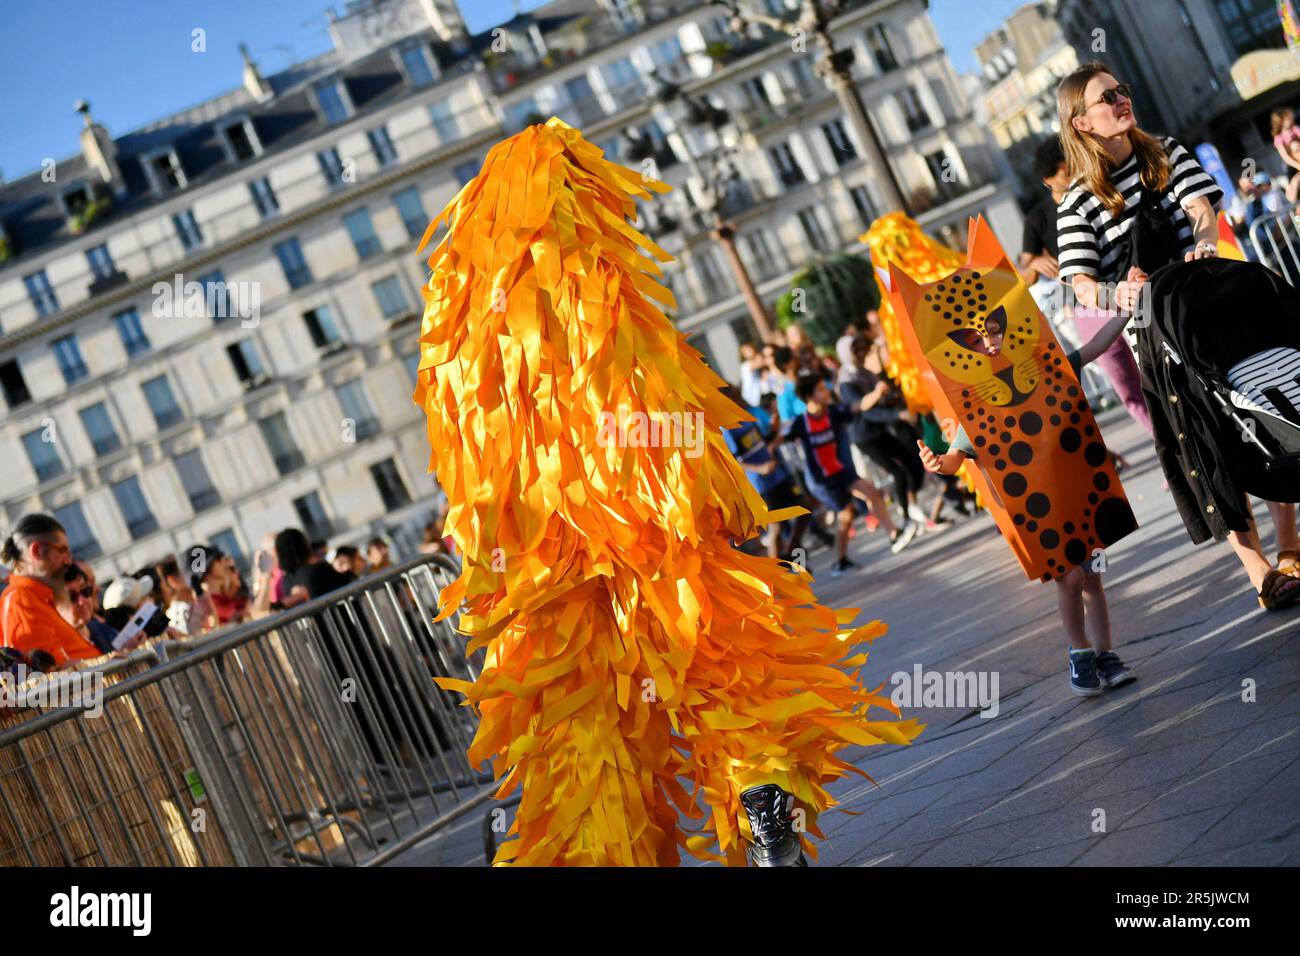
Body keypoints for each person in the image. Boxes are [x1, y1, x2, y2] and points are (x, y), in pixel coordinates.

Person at [1056, 61, 1300, 611]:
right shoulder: (1076, 202)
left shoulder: (1163, 151)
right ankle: (1258, 568)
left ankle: (1289, 545)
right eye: (1107, 97)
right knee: (1207, 439)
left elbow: (1199, 208)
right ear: (1082, 124)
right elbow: (1080, 283)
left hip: (1212, 301)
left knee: (1258, 409)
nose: (1122, 99)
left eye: (1122, 89)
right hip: (1159, 329)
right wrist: (1118, 291)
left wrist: (1205, 240)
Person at [918, 299, 1140, 696]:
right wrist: (937, 463)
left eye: (993, 330)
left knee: (1092, 575)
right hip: (1032, 508)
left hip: (1073, 491)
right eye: (976, 338)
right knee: (1069, 578)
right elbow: (957, 458)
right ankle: (1081, 652)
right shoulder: (976, 402)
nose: (988, 342)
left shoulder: (1044, 367)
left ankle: (1106, 654)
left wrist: (1123, 311)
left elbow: (1093, 349)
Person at [773, 373, 917, 575]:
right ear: (810, 396)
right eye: (821, 389)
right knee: (846, 515)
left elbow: (859, 406)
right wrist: (771, 445)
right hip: (821, 481)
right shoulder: (801, 423)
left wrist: (876, 393)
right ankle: (836, 562)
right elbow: (777, 440)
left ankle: (894, 534)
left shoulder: (832, 412)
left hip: (839, 470)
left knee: (871, 492)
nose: (827, 392)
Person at [836, 335, 928, 528]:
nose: (861, 355)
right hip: (865, 436)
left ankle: (911, 506)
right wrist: (897, 414)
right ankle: (905, 518)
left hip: (879, 430)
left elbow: (880, 400)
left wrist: (890, 398)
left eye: (863, 350)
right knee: (898, 472)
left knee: (913, 463)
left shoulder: (864, 374)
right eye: (857, 351)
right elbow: (865, 410)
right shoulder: (847, 382)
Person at [720, 384, 810, 561]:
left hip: (777, 475)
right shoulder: (727, 430)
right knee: (776, 524)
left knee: (803, 510)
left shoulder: (746, 418)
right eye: (732, 395)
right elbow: (733, 462)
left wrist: (774, 429)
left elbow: (764, 442)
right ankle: (778, 570)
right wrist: (760, 468)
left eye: (737, 393)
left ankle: (789, 554)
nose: (737, 398)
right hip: (761, 483)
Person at [0, 514, 103, 668]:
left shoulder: (37, 598)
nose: (69, 560)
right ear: (37, 551)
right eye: (63, 551)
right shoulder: (20, 600)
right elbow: (43, 676)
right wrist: (106, 664)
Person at [276, 529, 353, 604]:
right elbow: (347, 582)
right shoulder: (316, 570)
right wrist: (348, 568)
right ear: (304, 545)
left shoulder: (285, 582)